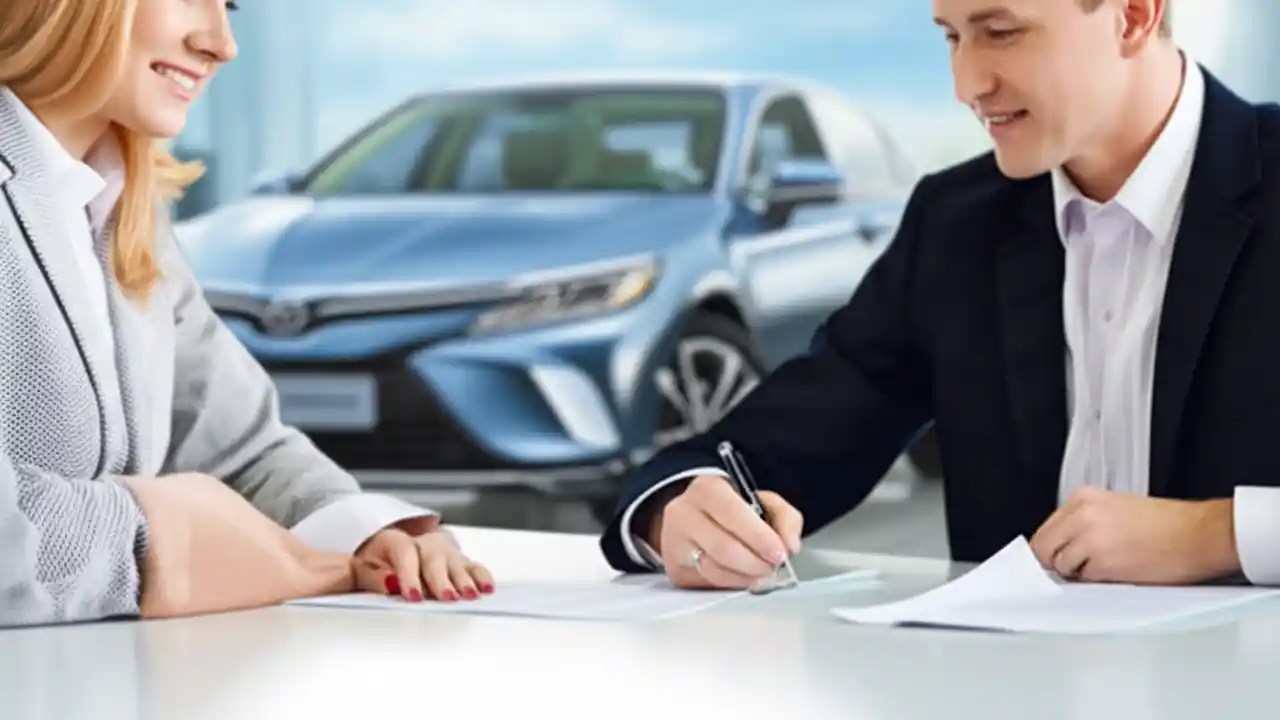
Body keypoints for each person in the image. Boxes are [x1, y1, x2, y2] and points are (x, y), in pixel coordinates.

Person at [601, 0, 1280, 589]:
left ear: (1133, 15)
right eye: (952, 36)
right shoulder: (957, 223)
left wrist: (1216, 534)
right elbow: (767, 447)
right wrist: (676, 511)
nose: (966, 84)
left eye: (1002, 32)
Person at [0, 0, 494, 627]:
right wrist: (164, 541)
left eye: (229, 5)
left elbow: (235, 445)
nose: (222, 43)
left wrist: (360, 532)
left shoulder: (126, 209)